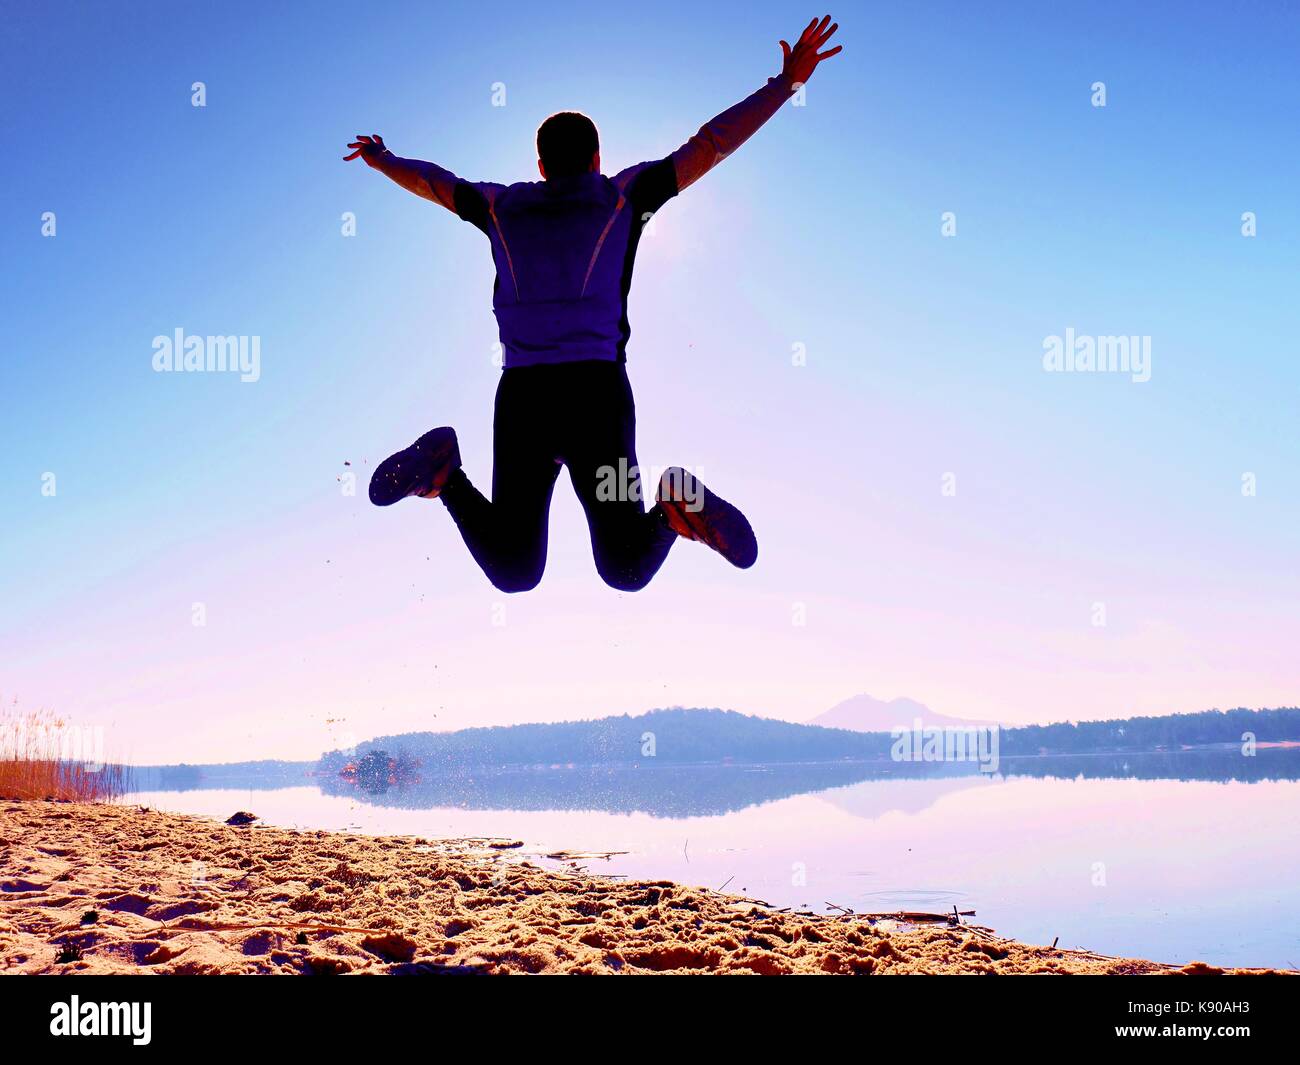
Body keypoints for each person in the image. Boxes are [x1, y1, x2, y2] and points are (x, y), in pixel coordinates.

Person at [346, 16, 842, 593]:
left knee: (513, 569)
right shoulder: (622, 197)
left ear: (540, 164)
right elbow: (710, 144)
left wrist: (381, 159)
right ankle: (674, 510)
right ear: (597, 157)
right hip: (595, 405)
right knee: (625, 565)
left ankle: (444, 474)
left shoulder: (501, 207)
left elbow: (433, 181)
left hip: (525, 404)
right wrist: (784, 84)